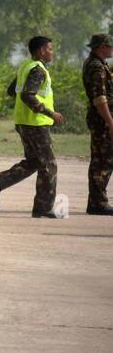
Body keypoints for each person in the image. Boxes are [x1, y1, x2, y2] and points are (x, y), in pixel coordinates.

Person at [0, 36, 62, 218]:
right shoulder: (37, 70)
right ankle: (43, 208)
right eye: (50, 49)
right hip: (36, 124)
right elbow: (28, 95)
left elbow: (12, 91)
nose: (52, 52)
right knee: (49, 166)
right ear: (41, 50)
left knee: (35, 162)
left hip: (23, 122)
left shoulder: (25, 67)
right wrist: (50, 113)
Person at [82, 33, 113, 216]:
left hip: (101, 118)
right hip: (102, 119)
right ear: (101, 47)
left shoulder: (99, 64)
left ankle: (97, 201)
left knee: (102, 160)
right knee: (103, 161)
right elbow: (100, 99)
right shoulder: (96, 67)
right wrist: (110, 122)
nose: (111, 49)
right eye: (109, 46)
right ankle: (97, 203)